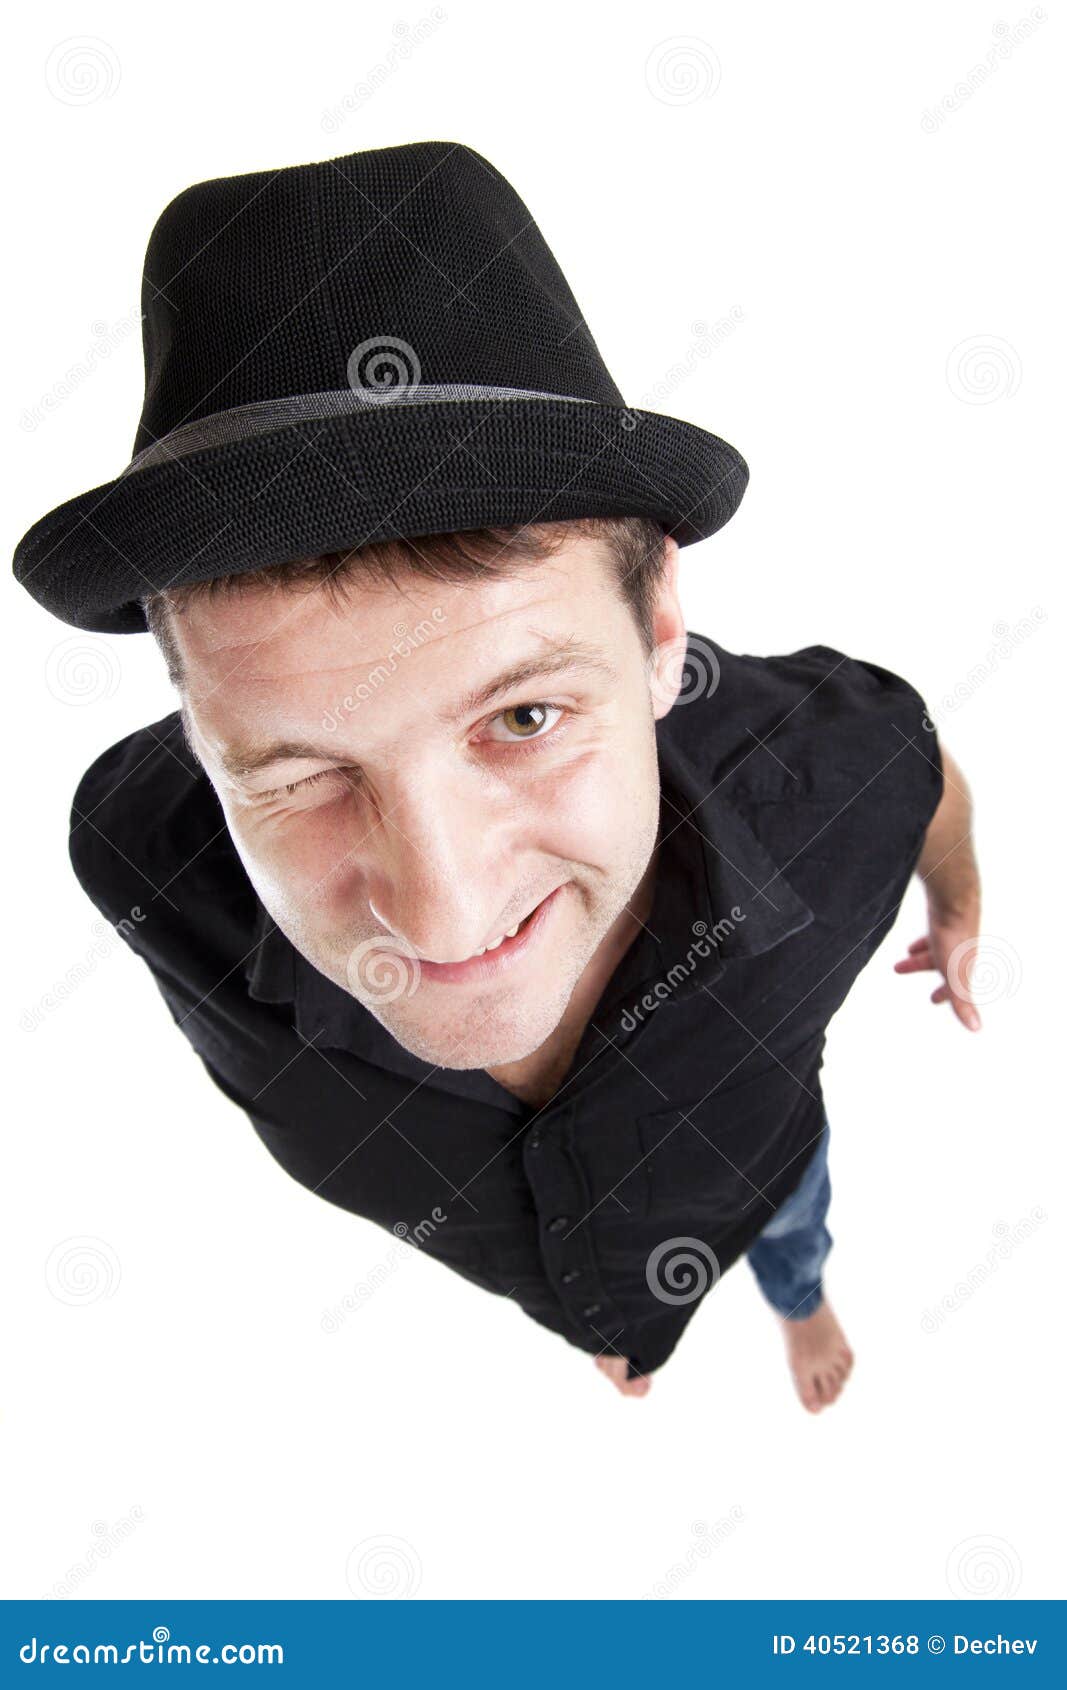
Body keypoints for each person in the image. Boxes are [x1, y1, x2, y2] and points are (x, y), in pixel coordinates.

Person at [13, 142, 982, 1406]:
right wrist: (593, 1293)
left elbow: (914, 759)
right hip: (537, 1273)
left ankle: (797, 1295)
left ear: (655, 638)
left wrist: (955, 903)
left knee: (790, 1220)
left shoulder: (822, 768)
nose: (443, 915)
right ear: (196, 730)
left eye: (523, 714)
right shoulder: (139, 850)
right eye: (298, 773)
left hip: (755, 1165)